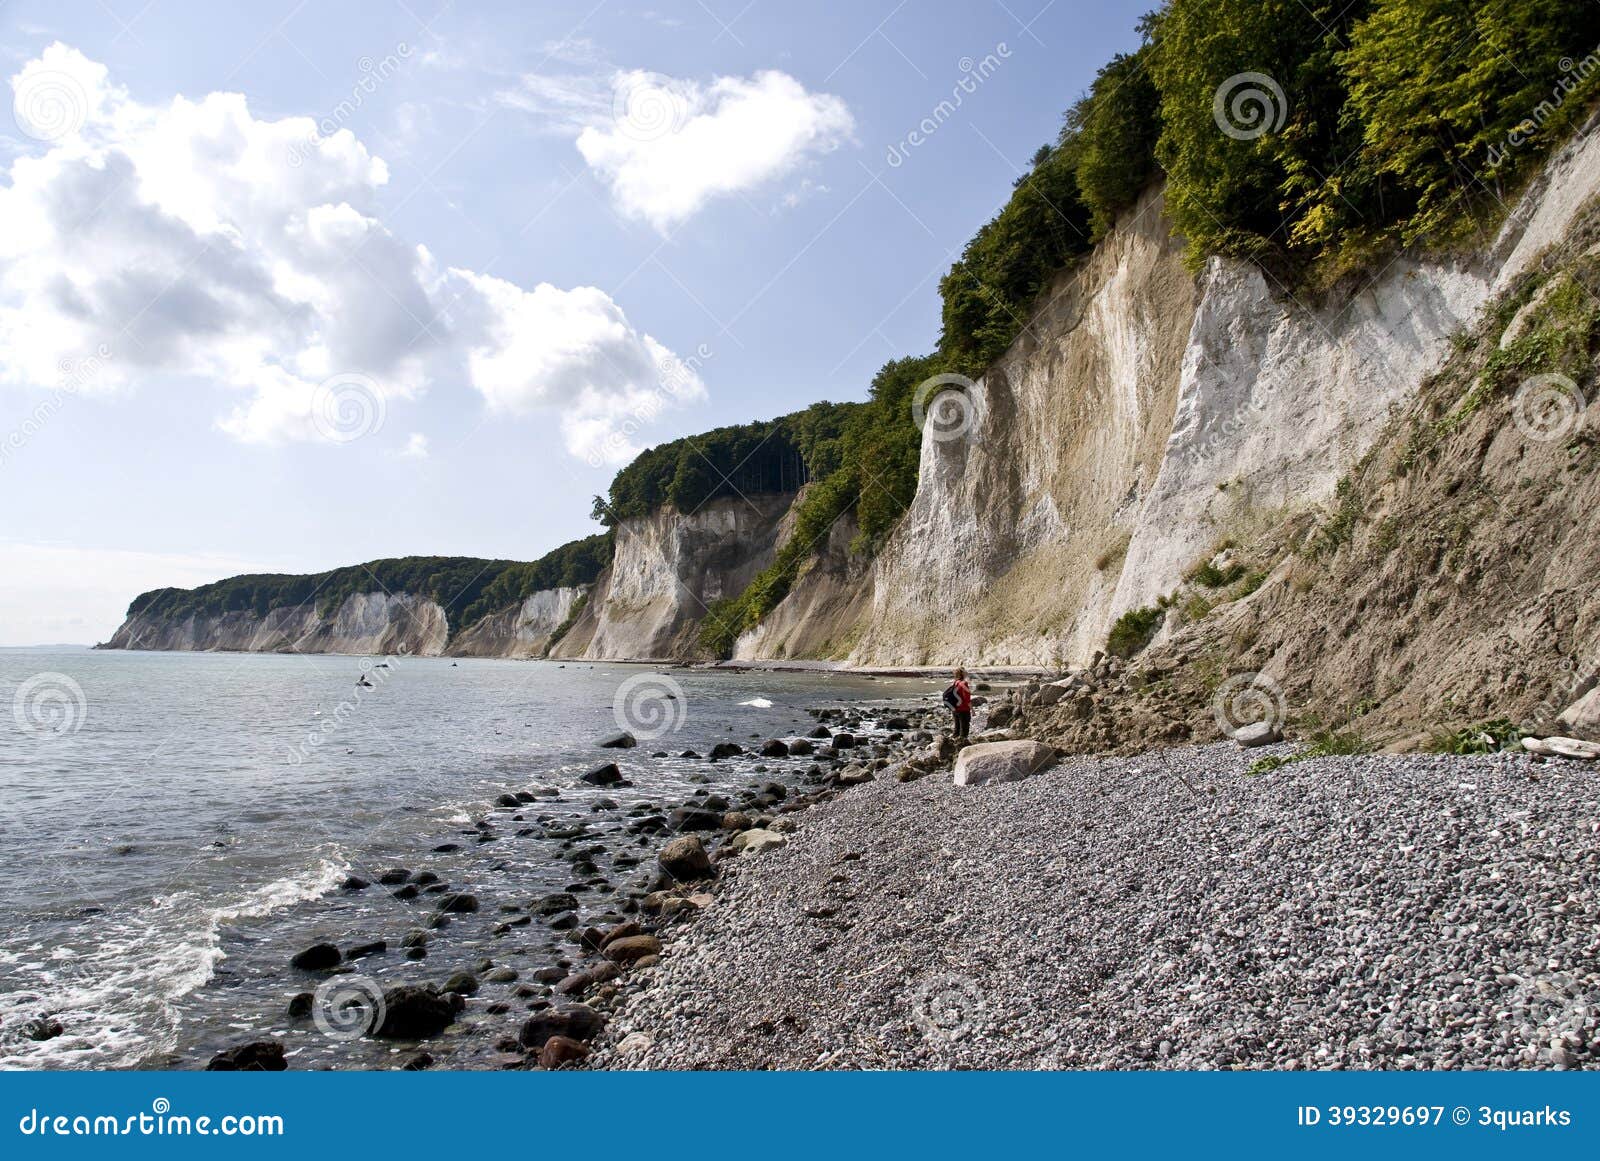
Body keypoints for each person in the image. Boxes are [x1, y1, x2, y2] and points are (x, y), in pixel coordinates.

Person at [943, 666, 972, 740]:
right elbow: (967, 699)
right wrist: (972, 709)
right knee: (964, 731)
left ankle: (953, 745)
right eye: (965, 672)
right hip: (963, 709)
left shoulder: (955, 683)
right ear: (963, 674)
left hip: (955, 709)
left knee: (957, 730)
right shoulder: (964, 683)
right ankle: (962, 746)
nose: (966, 673)